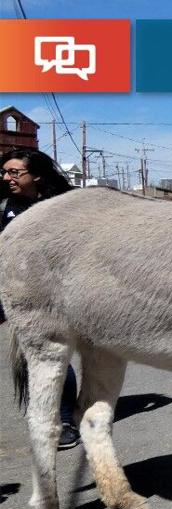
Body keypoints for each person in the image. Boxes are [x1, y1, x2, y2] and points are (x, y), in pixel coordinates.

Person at [0, 148, 81, 450]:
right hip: (13, 286)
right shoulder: (6, 206)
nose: (8, 178)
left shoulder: (63, 206)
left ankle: (63, 420)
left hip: (56, 289)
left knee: (51, 354)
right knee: (31, 354)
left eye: (15, 172)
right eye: (5, 172)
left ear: (36, 175)